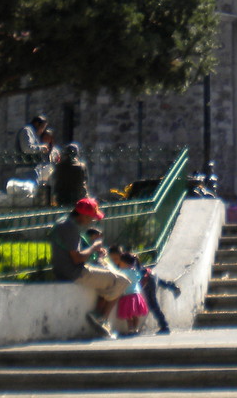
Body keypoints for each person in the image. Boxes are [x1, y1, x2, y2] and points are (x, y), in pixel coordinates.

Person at [49, 198, 131, 339]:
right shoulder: (70, 228)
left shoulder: (64, 223)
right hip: (74, 272)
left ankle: (100, 316)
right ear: (83, 215)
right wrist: (94, 247)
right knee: (123, 281)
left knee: (112, 279)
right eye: (91, 217)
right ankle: (101, 318)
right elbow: (77, 258)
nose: (92, 221)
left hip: (64, 269)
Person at [108, 245, 149, 336]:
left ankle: (131, 329)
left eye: (120, 262)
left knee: (128, 316)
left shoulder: (122, 272)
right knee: (135, 315)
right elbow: (138, 278)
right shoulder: (133, 271)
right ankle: (136, 329)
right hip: (136, 295)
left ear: (125, 263)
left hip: (127, 295)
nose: (119, 264)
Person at [53, 143, 90, 208]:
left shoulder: (59, 166)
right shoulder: (82, 166)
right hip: (77, 197)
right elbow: (85, 181)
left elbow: (56, 181)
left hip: (62, 198)